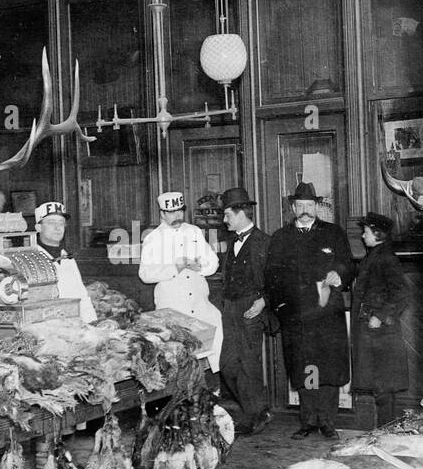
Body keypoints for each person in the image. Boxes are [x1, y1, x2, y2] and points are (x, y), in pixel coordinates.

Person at [265, 182, 356, 439]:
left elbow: (348, 265)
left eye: (310, 205)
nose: (305, 210)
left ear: (317, 206)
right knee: (307, 369)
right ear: (293, 207)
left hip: (328, 316)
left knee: (327, 370)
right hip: (298, 317)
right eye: (300, 205)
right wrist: (281, 307)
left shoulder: (333, 233)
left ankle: (327, 422)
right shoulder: (281, 238)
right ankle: (309, 421)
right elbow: (272, 275)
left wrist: (339, 274)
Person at [139, 191, 222, 371]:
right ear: (162, 213)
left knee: (211, 349)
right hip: (173, 309)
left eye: (180, 211)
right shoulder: (152, 238)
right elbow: (145, 274)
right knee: (179, 360)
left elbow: (213, 261)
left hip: (199, 304)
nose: (177, 216)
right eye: (171, 212)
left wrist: (201, 267)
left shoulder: (194, 232)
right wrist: (173, 268)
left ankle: (211, 393)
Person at [218, 186, 271, 436]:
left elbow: (276, 278)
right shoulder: (233, 241)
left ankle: (256, 415)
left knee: (249, 364)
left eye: (228, 214)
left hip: (251, 306)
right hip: (231, 309)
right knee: (228, 365)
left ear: (241, 214)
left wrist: (263, 301)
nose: (224, 219)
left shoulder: (263, 241)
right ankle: (257, 408)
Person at [350, 213, 410, 426]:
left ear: (377, 234)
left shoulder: (386, 258)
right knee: (379, 385)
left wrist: (380, 316)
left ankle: (386, 430)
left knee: (384, 387)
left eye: (365, 232)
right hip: (373, 332)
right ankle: (384, 429)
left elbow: (402, 293)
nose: (362, 236)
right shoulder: (375, 255)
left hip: (381, 332)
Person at [33, 201, 95, 323]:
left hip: (74, 328)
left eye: (61, 222)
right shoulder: (31, 258)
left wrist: (92, 324)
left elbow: (82, 297)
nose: (57, 227)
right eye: (51, 222)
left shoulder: (67, 258)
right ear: (38, 228)